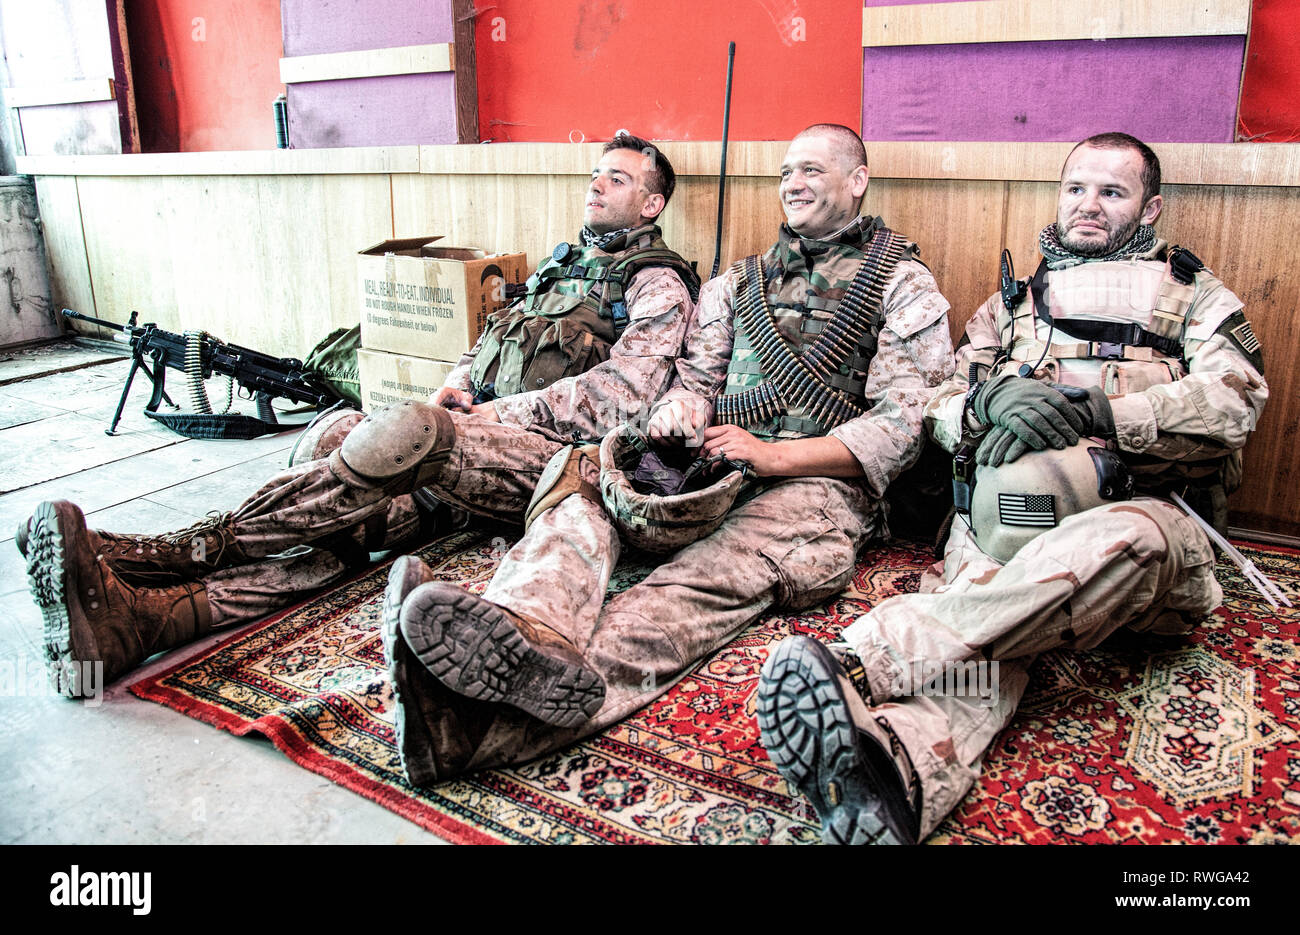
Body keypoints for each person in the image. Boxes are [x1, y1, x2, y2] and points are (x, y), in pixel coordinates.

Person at [21, 132, 699, 702]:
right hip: (471, 441)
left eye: (616, 178)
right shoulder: (562, 266)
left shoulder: (656, 282)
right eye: (594, 175)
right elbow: (487, 339)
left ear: (651, 201)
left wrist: (484, 414)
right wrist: (450, 390)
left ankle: (158, 553)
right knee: (339, 448)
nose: (596, 186)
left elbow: (624, 395)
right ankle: (145, 622)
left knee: (401, 437)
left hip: (547, 460)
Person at [380, 123, 956, 785]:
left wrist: (771, 460)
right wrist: (680, 411)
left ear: (857, 181)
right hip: (713, 465)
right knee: (587, 481)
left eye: (814, 171)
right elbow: (692, 383)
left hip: (817, 489)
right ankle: (528, 626)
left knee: (683, 591)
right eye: (786, 171)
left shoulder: (901, 281)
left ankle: (471, 731)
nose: (794, 183)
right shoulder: (740, 283)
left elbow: (902, 424)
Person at [756, 132, 1269, 845]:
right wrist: (982, 405)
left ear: (1150, 209)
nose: (1088, 205)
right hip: (1007, 522)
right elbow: (934, 399)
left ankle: (864, 654)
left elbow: (1237, 401)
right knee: (999, 622)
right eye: (1075, 189)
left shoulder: (1193, 297)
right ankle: (897, 775)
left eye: (1112, 192)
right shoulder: (1015, 305)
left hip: (1143, 523)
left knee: (1119, 544)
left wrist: (1103, 412)